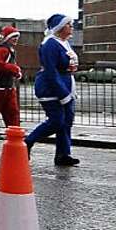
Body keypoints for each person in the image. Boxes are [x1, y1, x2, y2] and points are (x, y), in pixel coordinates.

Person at [25, 14, 81, 165]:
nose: (72, 27)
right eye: (69, 24)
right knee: (57, 121)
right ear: (60, 27)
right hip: (51, 88)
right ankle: (28, 141)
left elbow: (65, 63)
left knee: (67, 122)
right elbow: (51, 70)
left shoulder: (64, 43)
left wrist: (72, 68)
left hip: (67, 86)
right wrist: (62, 93)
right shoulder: (50, 44)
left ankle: (63, 154)